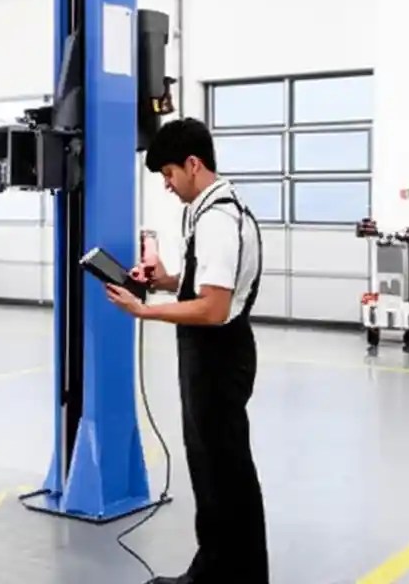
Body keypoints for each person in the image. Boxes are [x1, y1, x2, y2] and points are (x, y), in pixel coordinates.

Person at [103, 117, 269, 584]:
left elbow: (214, 308)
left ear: (193, 165)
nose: (168, 186)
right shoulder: (213, 209)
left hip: (218, 353)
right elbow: (210, 284)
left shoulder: (219, 219)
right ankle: (217, 571)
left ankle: (230, 575)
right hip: (213, 353)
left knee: (223, 472)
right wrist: (166, 282)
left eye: (170, 175)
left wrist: (143, 311)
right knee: (213, 470)